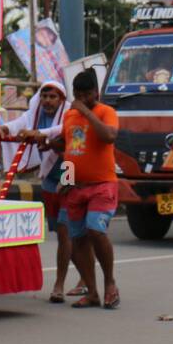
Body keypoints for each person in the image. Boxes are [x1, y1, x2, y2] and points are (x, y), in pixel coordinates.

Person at [1, 80, 86, 302]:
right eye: (45, 96)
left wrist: (39, 133)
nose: (48, 101)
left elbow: (62, 130)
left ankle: (58, 285)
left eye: (53, 97)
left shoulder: (70, 114)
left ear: (62, 99)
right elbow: (21, 123)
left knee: (64, 229)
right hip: (49, 176)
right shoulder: (35, 111)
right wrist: (6, 128)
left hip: (70, 170)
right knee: (61, 231)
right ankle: (87, 278)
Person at [51, 69, 121, 310]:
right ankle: (92, 292)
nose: (82, 99)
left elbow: (109, 136)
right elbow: (69, 149)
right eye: (79, 95)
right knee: (78, 237)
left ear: (96, 93)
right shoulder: (69, 117)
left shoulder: (105, 112)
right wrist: (66, 178)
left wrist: (87, 112)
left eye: (87, 94)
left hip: (102, 185)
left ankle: (109, 283)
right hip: (75, 188)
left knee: (95, 230)